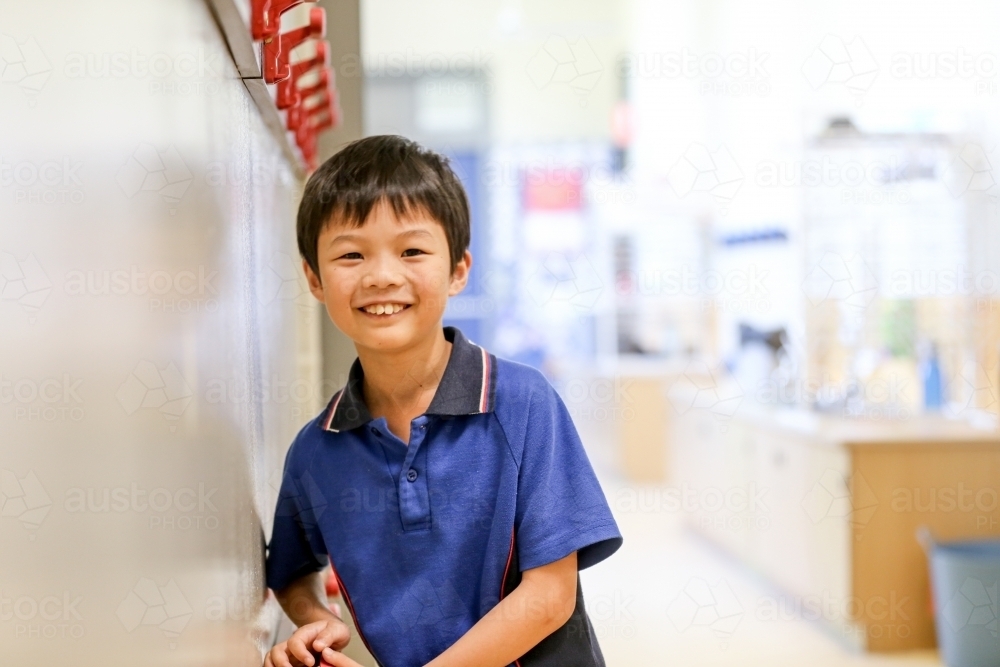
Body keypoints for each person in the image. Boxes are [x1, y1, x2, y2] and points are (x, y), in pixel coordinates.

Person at [264, 135, 622, 667]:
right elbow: (292, 570)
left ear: (458, 269)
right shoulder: (316, 451)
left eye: (411, 250)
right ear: (314, 278)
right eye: (350, 254)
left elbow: (549, 598)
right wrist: (318, 624)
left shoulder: (524, 404)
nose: (382, 275)